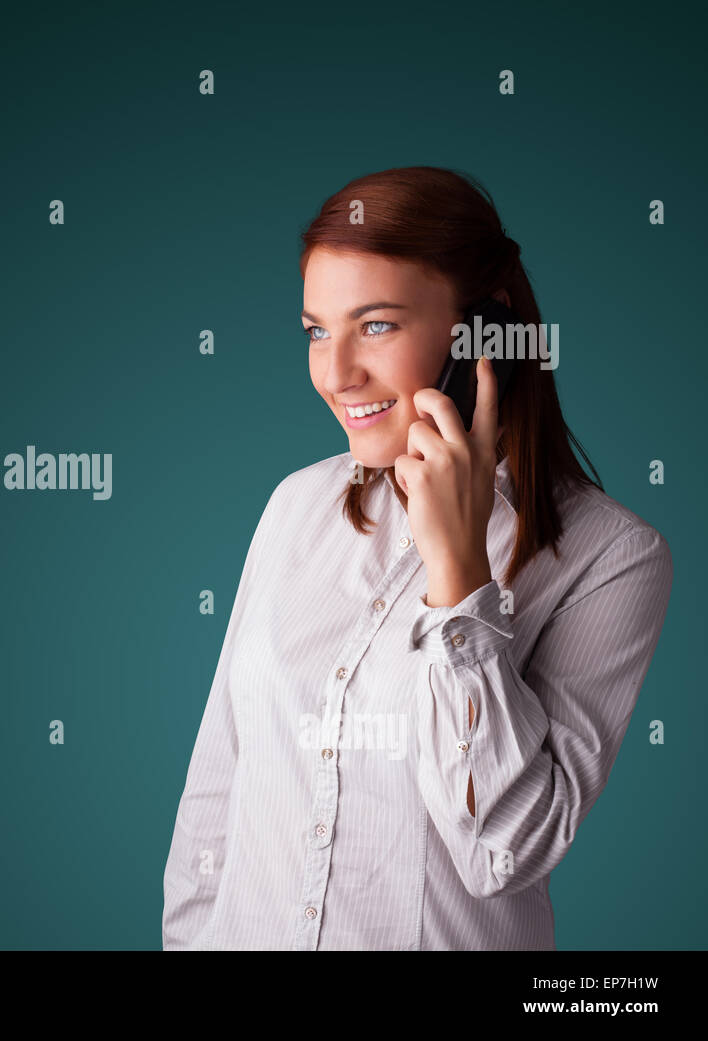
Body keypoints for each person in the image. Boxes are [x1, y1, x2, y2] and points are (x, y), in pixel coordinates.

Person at [161, 166, 673, 950]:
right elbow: (219, 787)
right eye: (316, 330)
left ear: (477, 337)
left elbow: (503, 850)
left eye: (376, 325)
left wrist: (461, 575)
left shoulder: (612, 558)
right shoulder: (294, 505)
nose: (336, 375)